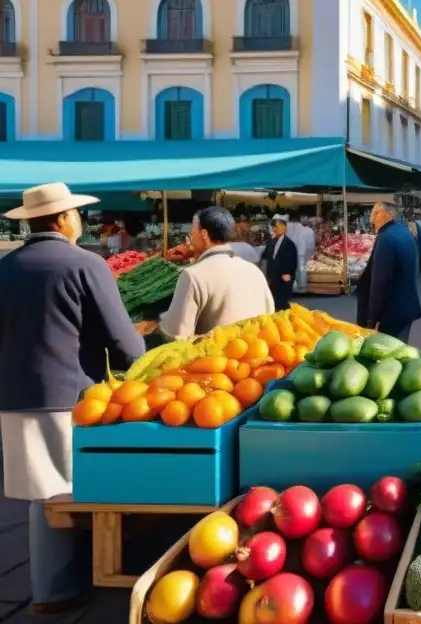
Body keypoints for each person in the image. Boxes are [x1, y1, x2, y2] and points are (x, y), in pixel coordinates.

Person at [0, 183, 146, 613]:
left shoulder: (6, 267)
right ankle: (55, 592)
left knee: (39, 491)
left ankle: (52, 584)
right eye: (76, 214)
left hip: (14, 393)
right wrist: (135, 358)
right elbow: (123, 342)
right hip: (69, 395)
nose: (80, 220)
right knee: (63, 491)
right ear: (63, 219)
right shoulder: (85, 264)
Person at [161, 207, 275, 340]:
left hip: (213, 358)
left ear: (204, 234)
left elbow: (177, 336)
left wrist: (160, 325)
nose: (190, 240)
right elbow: (270, 321)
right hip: (254, 355)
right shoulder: (254, 271)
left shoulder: (192, 275)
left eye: (192, 234)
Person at [356, 202, 421, 341]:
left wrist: (371, 319)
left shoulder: (386, 239)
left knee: (388, 355)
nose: (371, 219)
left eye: (373, 214)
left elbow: (380, 282)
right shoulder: (403, 232)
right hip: (407, 307)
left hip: (391, 312)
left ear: (382, 214)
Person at [263, 215, 299, 312]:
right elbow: (265, 256)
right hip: (272, 277)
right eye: (276, 227)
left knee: (282, 304)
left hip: (283, 277)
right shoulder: (271, 242)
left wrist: (289, 274)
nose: (278, 229)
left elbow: (293, 261)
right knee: (272, 304)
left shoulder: (289, 244)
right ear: (274, 229)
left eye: (281, 226)